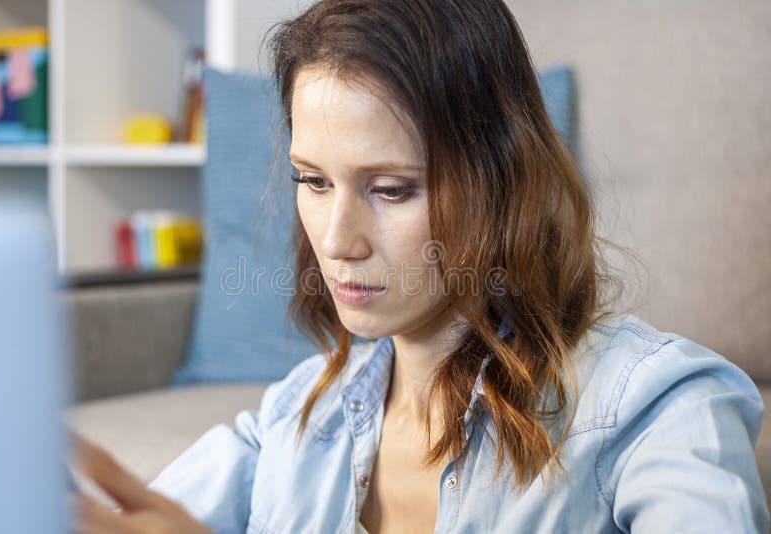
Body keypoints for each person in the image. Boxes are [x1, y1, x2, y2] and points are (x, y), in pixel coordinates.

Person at [67, 1, 769, 532]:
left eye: (392, 189)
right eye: (313, 181)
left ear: (504, 181)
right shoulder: (293, 421)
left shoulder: (655, 410)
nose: (336, 239)